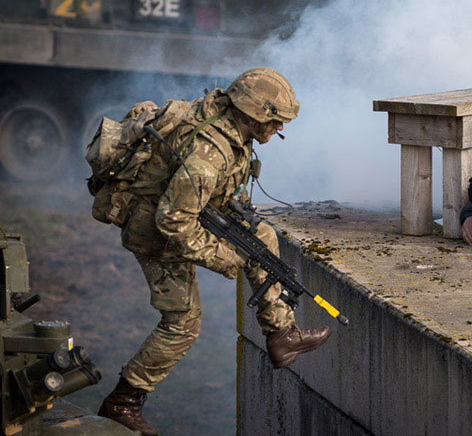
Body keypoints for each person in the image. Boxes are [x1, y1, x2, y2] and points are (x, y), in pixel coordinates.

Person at [95, 68, 330, 436]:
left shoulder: (232, 126)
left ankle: (281, 334)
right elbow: (173, 222)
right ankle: (122, 402)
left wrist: (240, 225)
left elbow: (218, 190)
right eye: (275, 120)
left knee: (261, 237)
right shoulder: (209, 155)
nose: (280, 128)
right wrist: (227, 258)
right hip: (156, 233)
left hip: (184, 213)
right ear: (253, 113)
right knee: (183, 323)